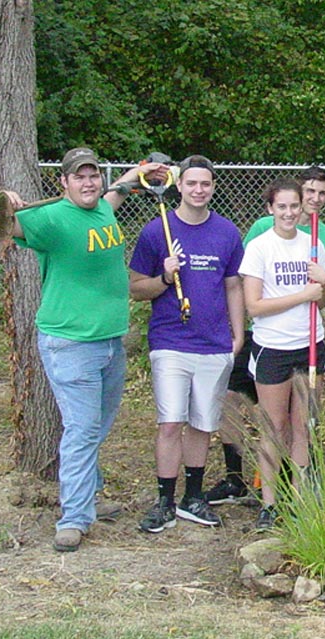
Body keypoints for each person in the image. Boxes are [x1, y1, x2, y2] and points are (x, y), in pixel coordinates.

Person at [0, 148, 167, 551]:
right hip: (71, 343)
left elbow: (117, 193)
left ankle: (87, 498)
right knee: (82, 429)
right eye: (80, 177)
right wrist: (5, 201)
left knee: (97, 427)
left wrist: (139, 172)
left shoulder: (102, 210)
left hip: (110, 340)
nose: (88, 183)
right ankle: (73, 517)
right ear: (64, 183)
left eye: (93, 176)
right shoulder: (51, 218)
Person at [129, 155, 245, 533]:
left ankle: (192, 498)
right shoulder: (156, 231)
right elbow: (136, 289)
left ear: (213, 187)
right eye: (192, 183)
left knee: (202, 424)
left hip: (214, 344)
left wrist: (238, 333)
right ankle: (164, 501)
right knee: (171, 422)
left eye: (206, 184)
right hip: (171, 342)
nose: (198, 190)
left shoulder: (227, 233)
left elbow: (232, 285)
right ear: (179, 185)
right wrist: (164, 277)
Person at [239, 179, 325, 530]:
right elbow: (254, 306)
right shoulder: (260, 248)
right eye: (282, 207)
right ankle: (270, 504)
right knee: (273, 426)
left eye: (295, 206)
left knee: (303, 426)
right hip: (273, 347)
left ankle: (300, 498)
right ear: (271, 209)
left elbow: (321, 301)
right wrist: (305, 294)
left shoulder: (314, 245)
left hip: (309, 344)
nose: (290, 213)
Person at [243, 165, 325, 273]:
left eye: (322, 193)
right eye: (310, 191)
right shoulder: (263, 226)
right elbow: (243, 269)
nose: (316, 199)